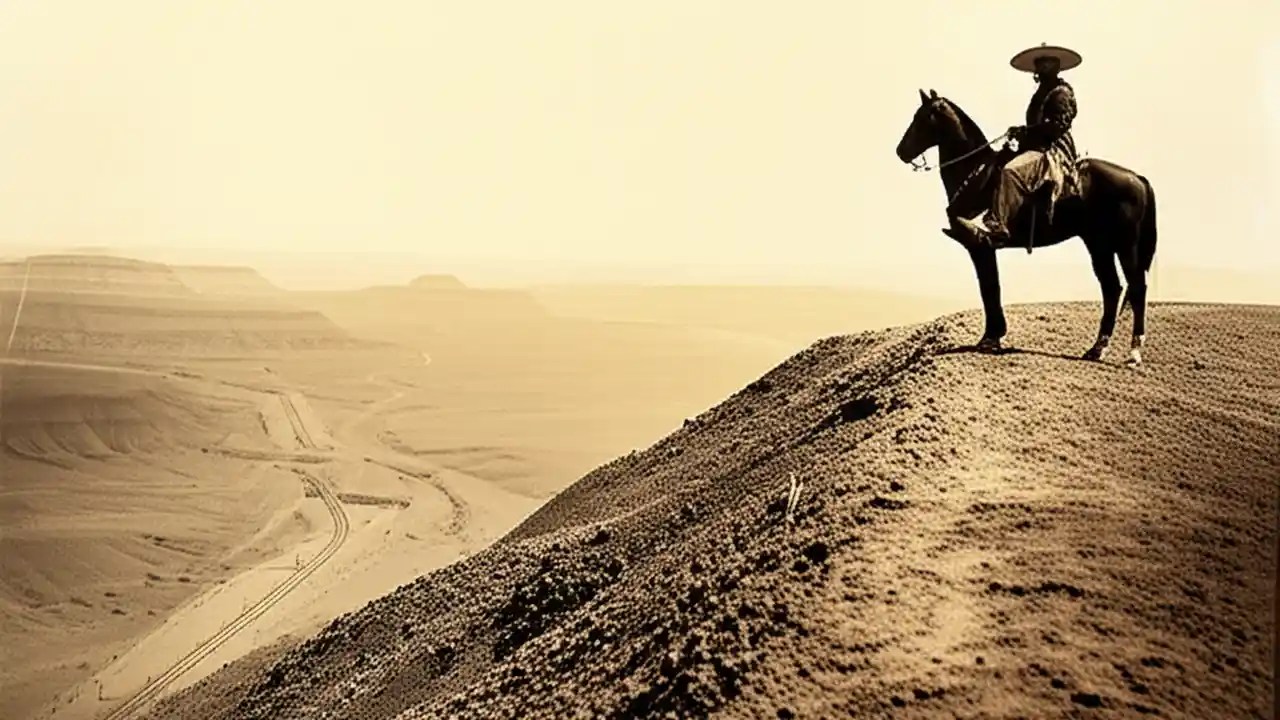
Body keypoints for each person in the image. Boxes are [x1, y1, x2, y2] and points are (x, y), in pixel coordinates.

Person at [953, 43, 1083, 249]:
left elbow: (1056, 128)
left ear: (1056, 67)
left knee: (1010, 171)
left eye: (1047, 64)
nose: (1042, 69)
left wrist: (1026, 132)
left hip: (1053, 149)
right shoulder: (1041, 93)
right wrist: (1021, 133)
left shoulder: (1061, 93)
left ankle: (998, 229)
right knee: (996, 162)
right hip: (1037, 146)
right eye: (1040, 65)